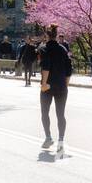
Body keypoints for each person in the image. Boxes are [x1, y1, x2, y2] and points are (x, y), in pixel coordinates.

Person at [38, 24, 73, 154]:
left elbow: (45, 67)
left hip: (48, 86)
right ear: (56, 35)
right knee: (60, 114)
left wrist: (44, 84)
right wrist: (65, 85)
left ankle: (48, 137)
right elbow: (69, 70)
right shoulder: (63, 49)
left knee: (45, 112)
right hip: (61, 86)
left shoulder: (43, 48)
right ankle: (61, 141)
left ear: (47, 36)